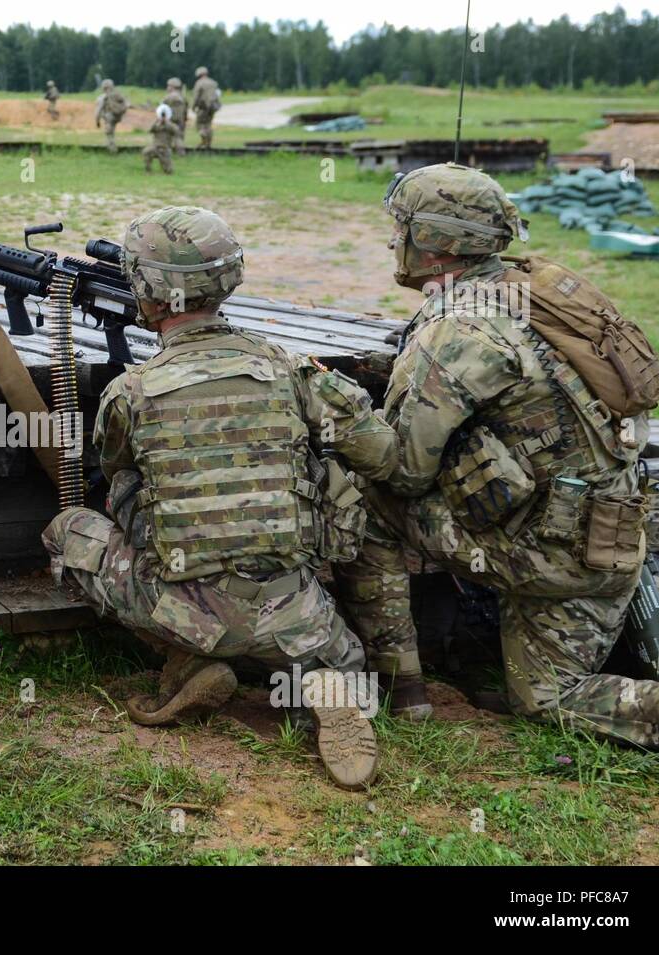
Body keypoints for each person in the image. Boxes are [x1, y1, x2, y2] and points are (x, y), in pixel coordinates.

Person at [43, 206, 400, 788]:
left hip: (177, 602)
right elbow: (380, 453)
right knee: (339, 664)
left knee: (69, 531)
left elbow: (118, 489)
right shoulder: (289, 370)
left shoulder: (129, 392)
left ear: (148, 294)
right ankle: (327, 688)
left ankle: (187, 659)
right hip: (293, 609)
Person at [332, 162, 659, 748]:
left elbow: (405, 470)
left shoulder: (455, 328)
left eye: (402, 227)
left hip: (549, 557)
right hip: (612, 543)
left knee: (359, 494)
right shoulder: (538, 291)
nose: (394, 240)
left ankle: (401, 688)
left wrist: (338, 413)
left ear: (434, 242)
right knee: (550, 693)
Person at [94, 79, 129, 153]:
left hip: (109, 118)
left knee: (109, 134)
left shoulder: (102, 98)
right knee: (111, 132)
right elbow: (126, 104)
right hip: (117, 116)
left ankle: (112, 149)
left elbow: (98, 111)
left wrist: (97, 121)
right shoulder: (118, 94)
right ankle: (112, 147)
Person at [191, 67, 220, 149]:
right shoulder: (213, 82)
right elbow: (217, 95)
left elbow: (196, 97)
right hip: (213, 107)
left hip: (203, 107)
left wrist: (193, 107)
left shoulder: (199, 83)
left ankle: (204, 140)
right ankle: (208, 144)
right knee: (208, 124)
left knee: (200, 124)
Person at [143, 104, 176, 174]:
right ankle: (148, 170)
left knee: (168, 171)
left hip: (165, 149)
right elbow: (150, 130)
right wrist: (156, 122)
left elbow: (176, 131)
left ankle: (167, 167)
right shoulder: (157, 125)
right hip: (155, 147)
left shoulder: (170, 125)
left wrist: (167, 123)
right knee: (146, 152)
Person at [162, 77, 188, 156]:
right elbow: (186, 110)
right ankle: (180, 153)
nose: (167, 88)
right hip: (181, 120)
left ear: (172, 87)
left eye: (168, 86)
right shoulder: (183, 97)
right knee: (179, 137)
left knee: (167, 137)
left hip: (170, 119)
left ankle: (167, 154)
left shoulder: (169, 97)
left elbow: (162, 108)